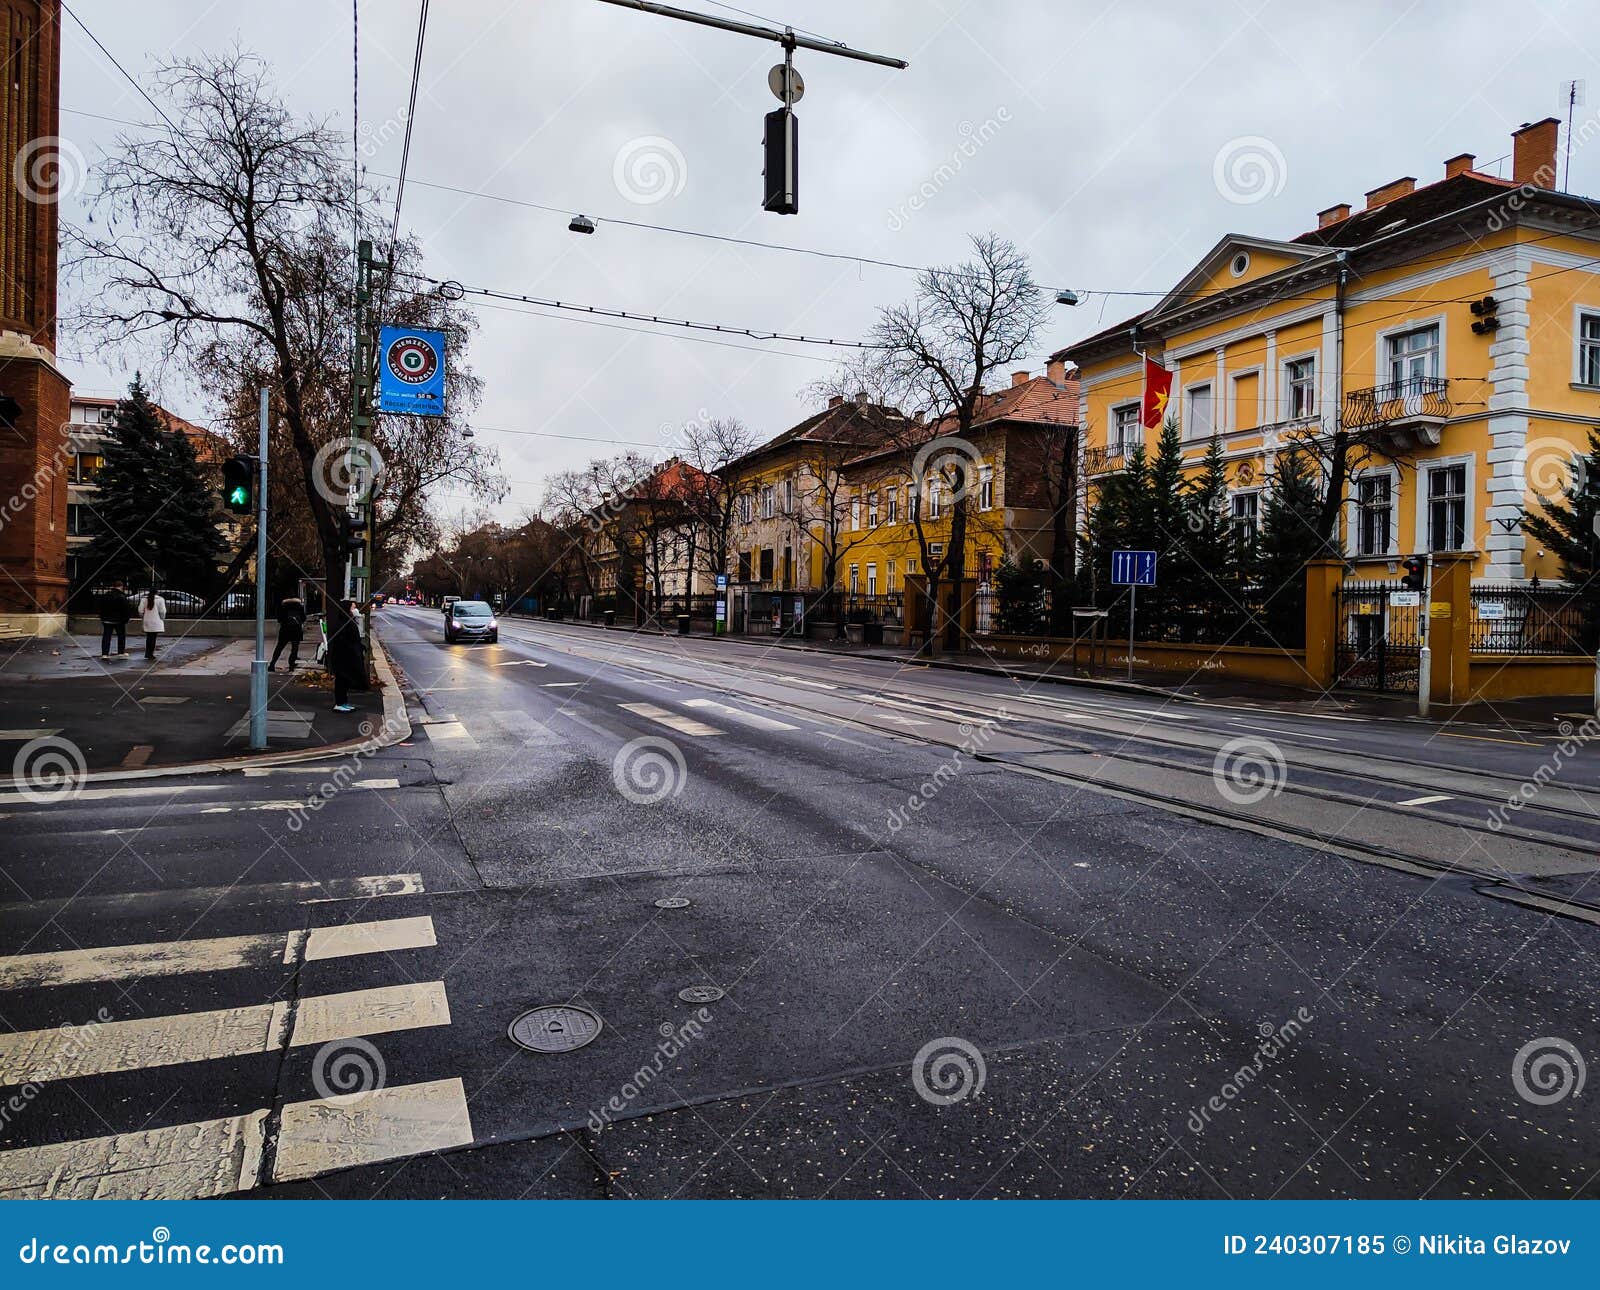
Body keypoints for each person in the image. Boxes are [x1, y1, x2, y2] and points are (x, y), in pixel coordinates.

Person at [325, 598, 366, 713]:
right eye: (353, 607)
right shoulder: (344, 623)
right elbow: (346, 640)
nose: (355, 609)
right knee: (341, 680)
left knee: (345, 680)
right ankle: (339, 703)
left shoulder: (347, 621)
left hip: (346, 656)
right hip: (343, 657)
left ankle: (343, 702)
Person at [268, 595, 307, 671]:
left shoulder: (283, 606)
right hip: (296, 630)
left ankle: (272, 664)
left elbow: (279, 619)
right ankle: (291, 666)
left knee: (279, 647)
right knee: (294, 648)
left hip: (285, 629)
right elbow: (303, 618)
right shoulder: (299, 606)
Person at [96, 583, 132, 658]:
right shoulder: (121, 596)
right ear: (121, 586)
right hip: (119, 620)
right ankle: (120, 652)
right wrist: (125, 619)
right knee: (121, 636)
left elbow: (100, 607)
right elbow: (126, 609)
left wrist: (102, 617)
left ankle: (105, 654)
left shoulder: (106, 595)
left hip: (106, 619)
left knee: (106, 636)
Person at [138, 587, 167, 661]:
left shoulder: (144, 599)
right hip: (156, 621)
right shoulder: (160, 599)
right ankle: (151, 653)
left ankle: (147, 653)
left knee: (149, 637)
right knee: (153, 637)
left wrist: (143, 617)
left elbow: (140, 610)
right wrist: (162, 619)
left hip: (147, 620)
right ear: (157, 592)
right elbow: (162, 611)